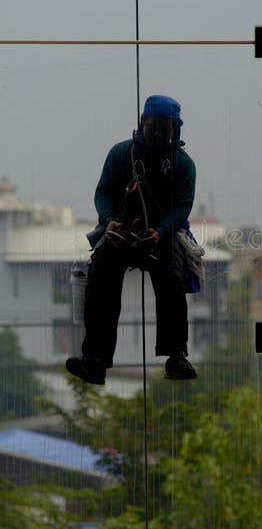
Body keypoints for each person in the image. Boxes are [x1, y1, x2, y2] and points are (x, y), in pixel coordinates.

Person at [66, 95, 197, 384]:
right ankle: (96, 358)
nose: (159, 134)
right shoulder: (120, 154)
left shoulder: (183, 164)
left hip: (160, 234)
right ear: (142, 125)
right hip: (120, 231)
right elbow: (103, 192)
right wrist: (108, 220)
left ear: (176, 129)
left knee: (172, 280)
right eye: (154, 128)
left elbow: (182, 206)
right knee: (100, 274)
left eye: (166, 128)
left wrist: (161, 231)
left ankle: (176, 355)